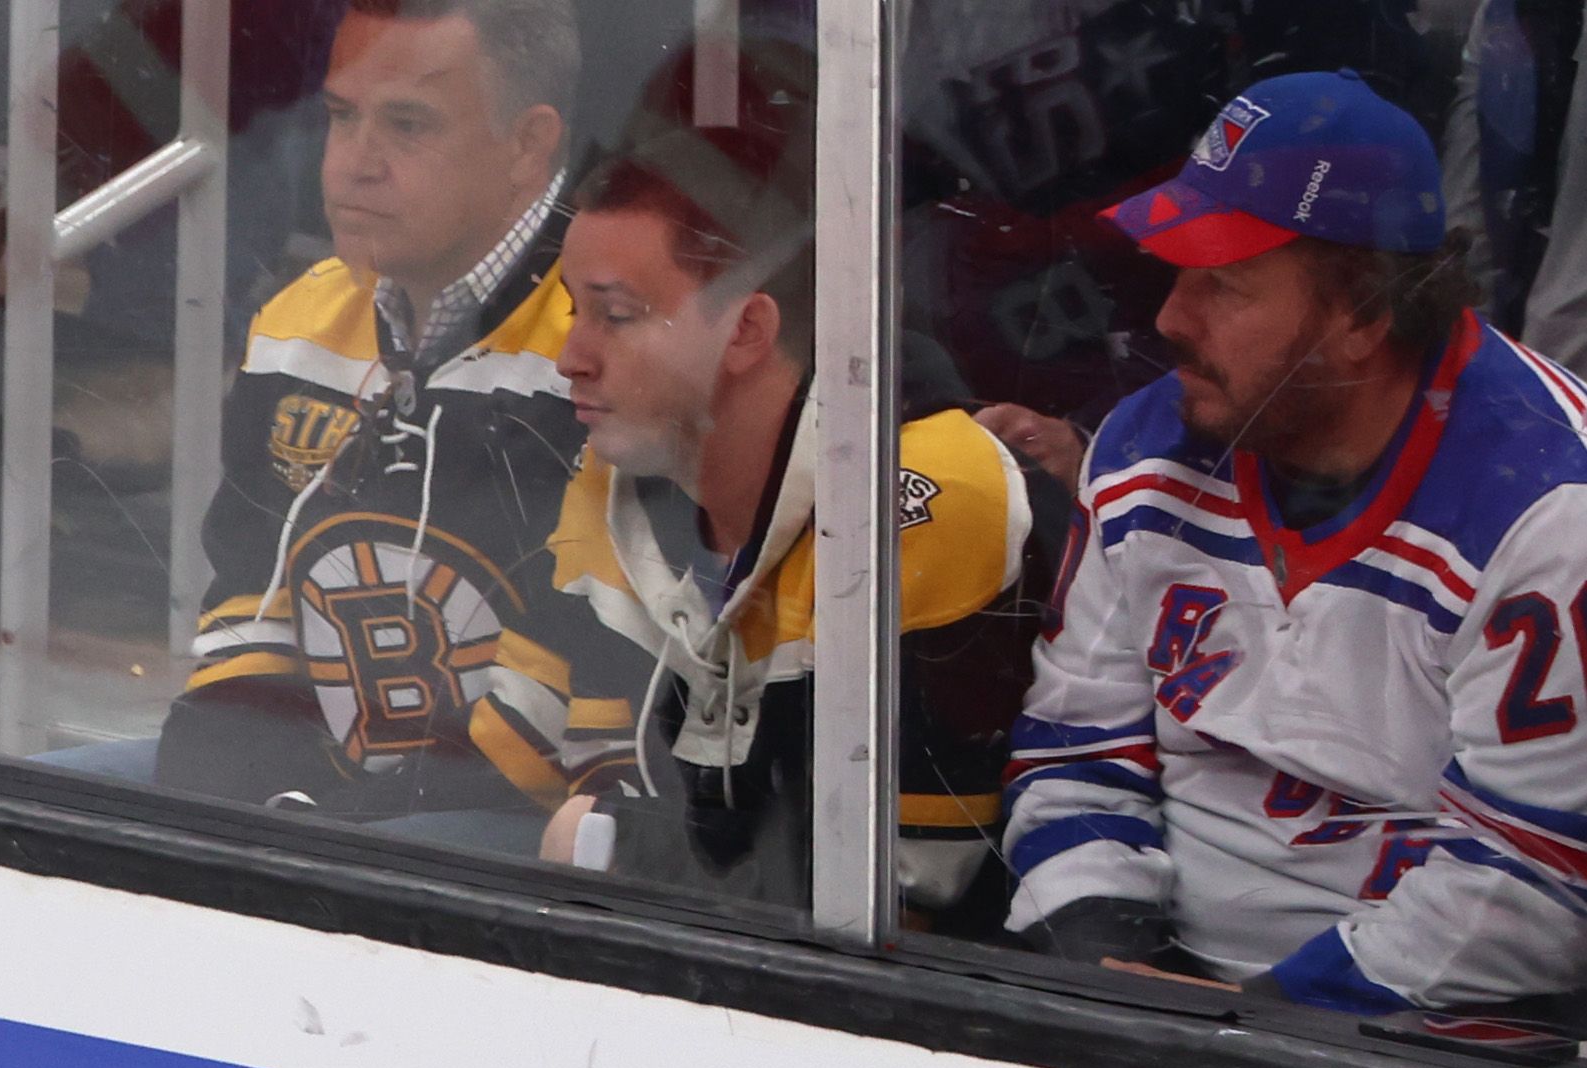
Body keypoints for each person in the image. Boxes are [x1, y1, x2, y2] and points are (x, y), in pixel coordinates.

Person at [1007, 69, 1587, 1009]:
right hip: (1162, 1001)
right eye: (1175, 272)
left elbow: (1536, 882)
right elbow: (1074, 755)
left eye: (1222, 285)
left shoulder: (1550, 509)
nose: (1168, 318)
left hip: (1444, 1058)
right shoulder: (1145, 448)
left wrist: (1257, 1031)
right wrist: (1105, 968)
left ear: (1363, 313)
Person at [539, 50, 1070, 918]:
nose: (569, 357)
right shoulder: (614, 475)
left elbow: (910, 890)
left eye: (615, 314)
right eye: (571, 308)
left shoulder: (930, 500)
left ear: (747, 328)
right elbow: (539, 768)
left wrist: (601, 843)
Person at [151, 0, 585, 849]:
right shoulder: (298, 322)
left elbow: (564, 700)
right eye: (340, 117)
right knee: (8, 835)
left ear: (528, 147)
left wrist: (322, 834)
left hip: (521, 821)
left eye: (407, 125)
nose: (353, 164)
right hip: (317, 800)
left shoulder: (605, 347)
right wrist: (239, 794)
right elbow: (249, 603)